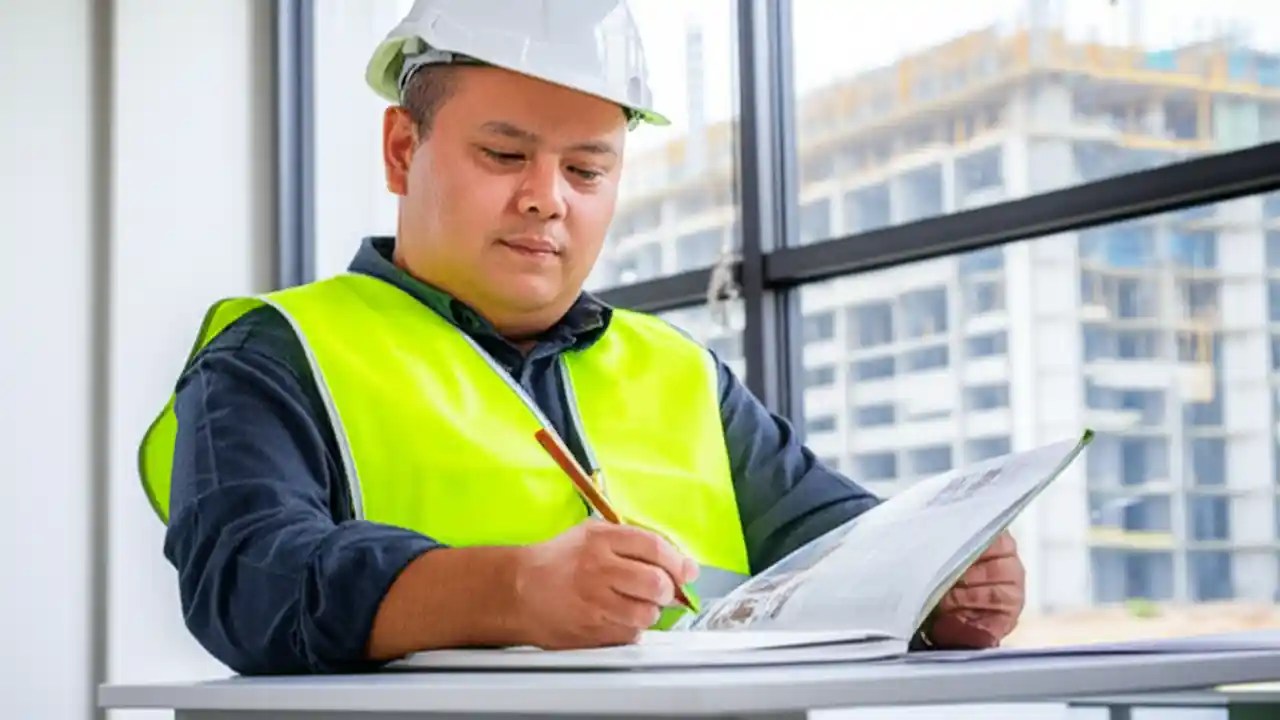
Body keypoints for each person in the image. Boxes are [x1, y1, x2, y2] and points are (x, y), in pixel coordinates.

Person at [140, 0, 1025, 675]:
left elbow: (837, 545)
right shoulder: (279, 354)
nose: (547, 197)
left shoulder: (680, 372)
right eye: (504, 155)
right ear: (403, 150)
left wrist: (933, 583)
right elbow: (249, 578)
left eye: (586, 168)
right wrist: (515, 592)